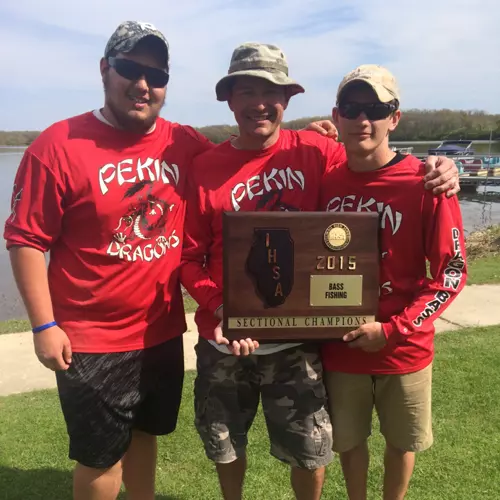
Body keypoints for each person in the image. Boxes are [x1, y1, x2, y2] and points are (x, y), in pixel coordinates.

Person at [179, 43, 460, 500]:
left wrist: (441, 168)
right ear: (229, 99)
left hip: (298, 339)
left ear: (287, 100)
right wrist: (223, 307)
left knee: (311, 451)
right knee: (225, 446)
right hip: (226, 337)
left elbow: (371, 160)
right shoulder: (205, 167)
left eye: (271, 91)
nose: (259, 103)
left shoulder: (316, 150)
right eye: (246, 91)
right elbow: (189, 258)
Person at [3, 21, 214, 500]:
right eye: (130, 69)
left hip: (161, 330)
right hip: (91, 339)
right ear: (105, 70)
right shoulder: (57, 145)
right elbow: (26, 240)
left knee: (144, 436)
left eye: (156, 75)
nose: (143, 84)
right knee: (100, 458)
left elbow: (239, 165)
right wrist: (42, 325)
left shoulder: (185, 142)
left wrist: (315, 139)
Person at [319, 65, 467, 500]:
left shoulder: (427, 182)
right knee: (348, 441)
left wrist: (392, 330)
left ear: (394, 117)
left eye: (375, 109)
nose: (362, 119)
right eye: (351, 108)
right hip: (340, 342)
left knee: (401, 442)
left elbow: (451, 272)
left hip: (403, 347)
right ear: (337, 114)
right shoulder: (324, 180)